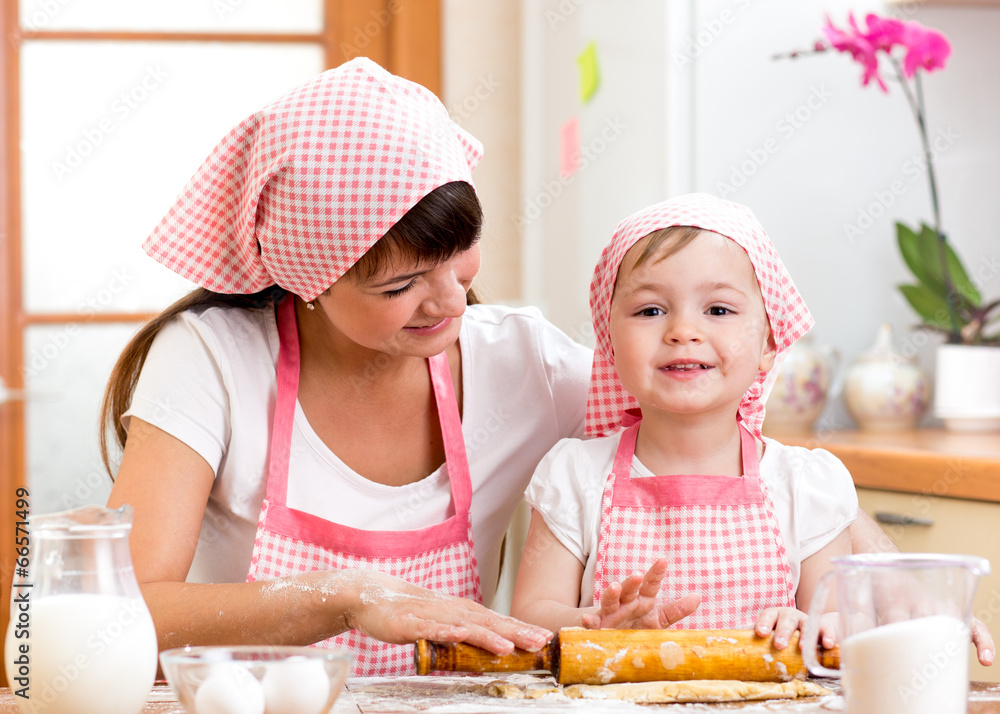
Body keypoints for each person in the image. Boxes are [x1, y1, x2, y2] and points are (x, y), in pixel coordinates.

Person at [102, 60, 995, 674]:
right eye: (405, 283)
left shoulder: (515, 362)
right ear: (308, 277)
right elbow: (120, 613)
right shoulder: (214, 361)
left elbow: (719, 431)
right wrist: (348, 597)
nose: (451, 304)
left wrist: (911, 597)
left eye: (462, 259)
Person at [511, 194, 856, 651]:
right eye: (651, 311)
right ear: (609, 342)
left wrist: (805, 624)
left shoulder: (807, 486)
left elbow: (839, 622)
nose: (682, 331)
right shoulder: (574, 475)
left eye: (718, 310)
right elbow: (531, 616)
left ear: (770, 343)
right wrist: (596, 625)